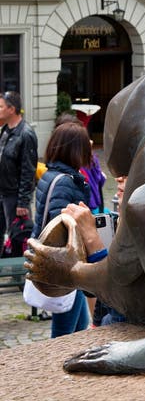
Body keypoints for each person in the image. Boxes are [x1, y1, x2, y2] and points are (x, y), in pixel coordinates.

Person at [32, 120, 92, 337]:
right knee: (64, 331)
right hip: (65, 265)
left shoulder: (50, 175)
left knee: (79, 324)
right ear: (76, 150)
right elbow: (62, 225)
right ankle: (55, 367)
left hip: (62, 264)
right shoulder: (66, 181)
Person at [0, 91, 38, 245]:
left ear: (12, 109)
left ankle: (18, 266)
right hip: (2, 192)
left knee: (17, 235)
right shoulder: (5, 129)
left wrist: (23, 202)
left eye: (0, 106)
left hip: (14, 196)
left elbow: (28, 170)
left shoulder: (26, 133)